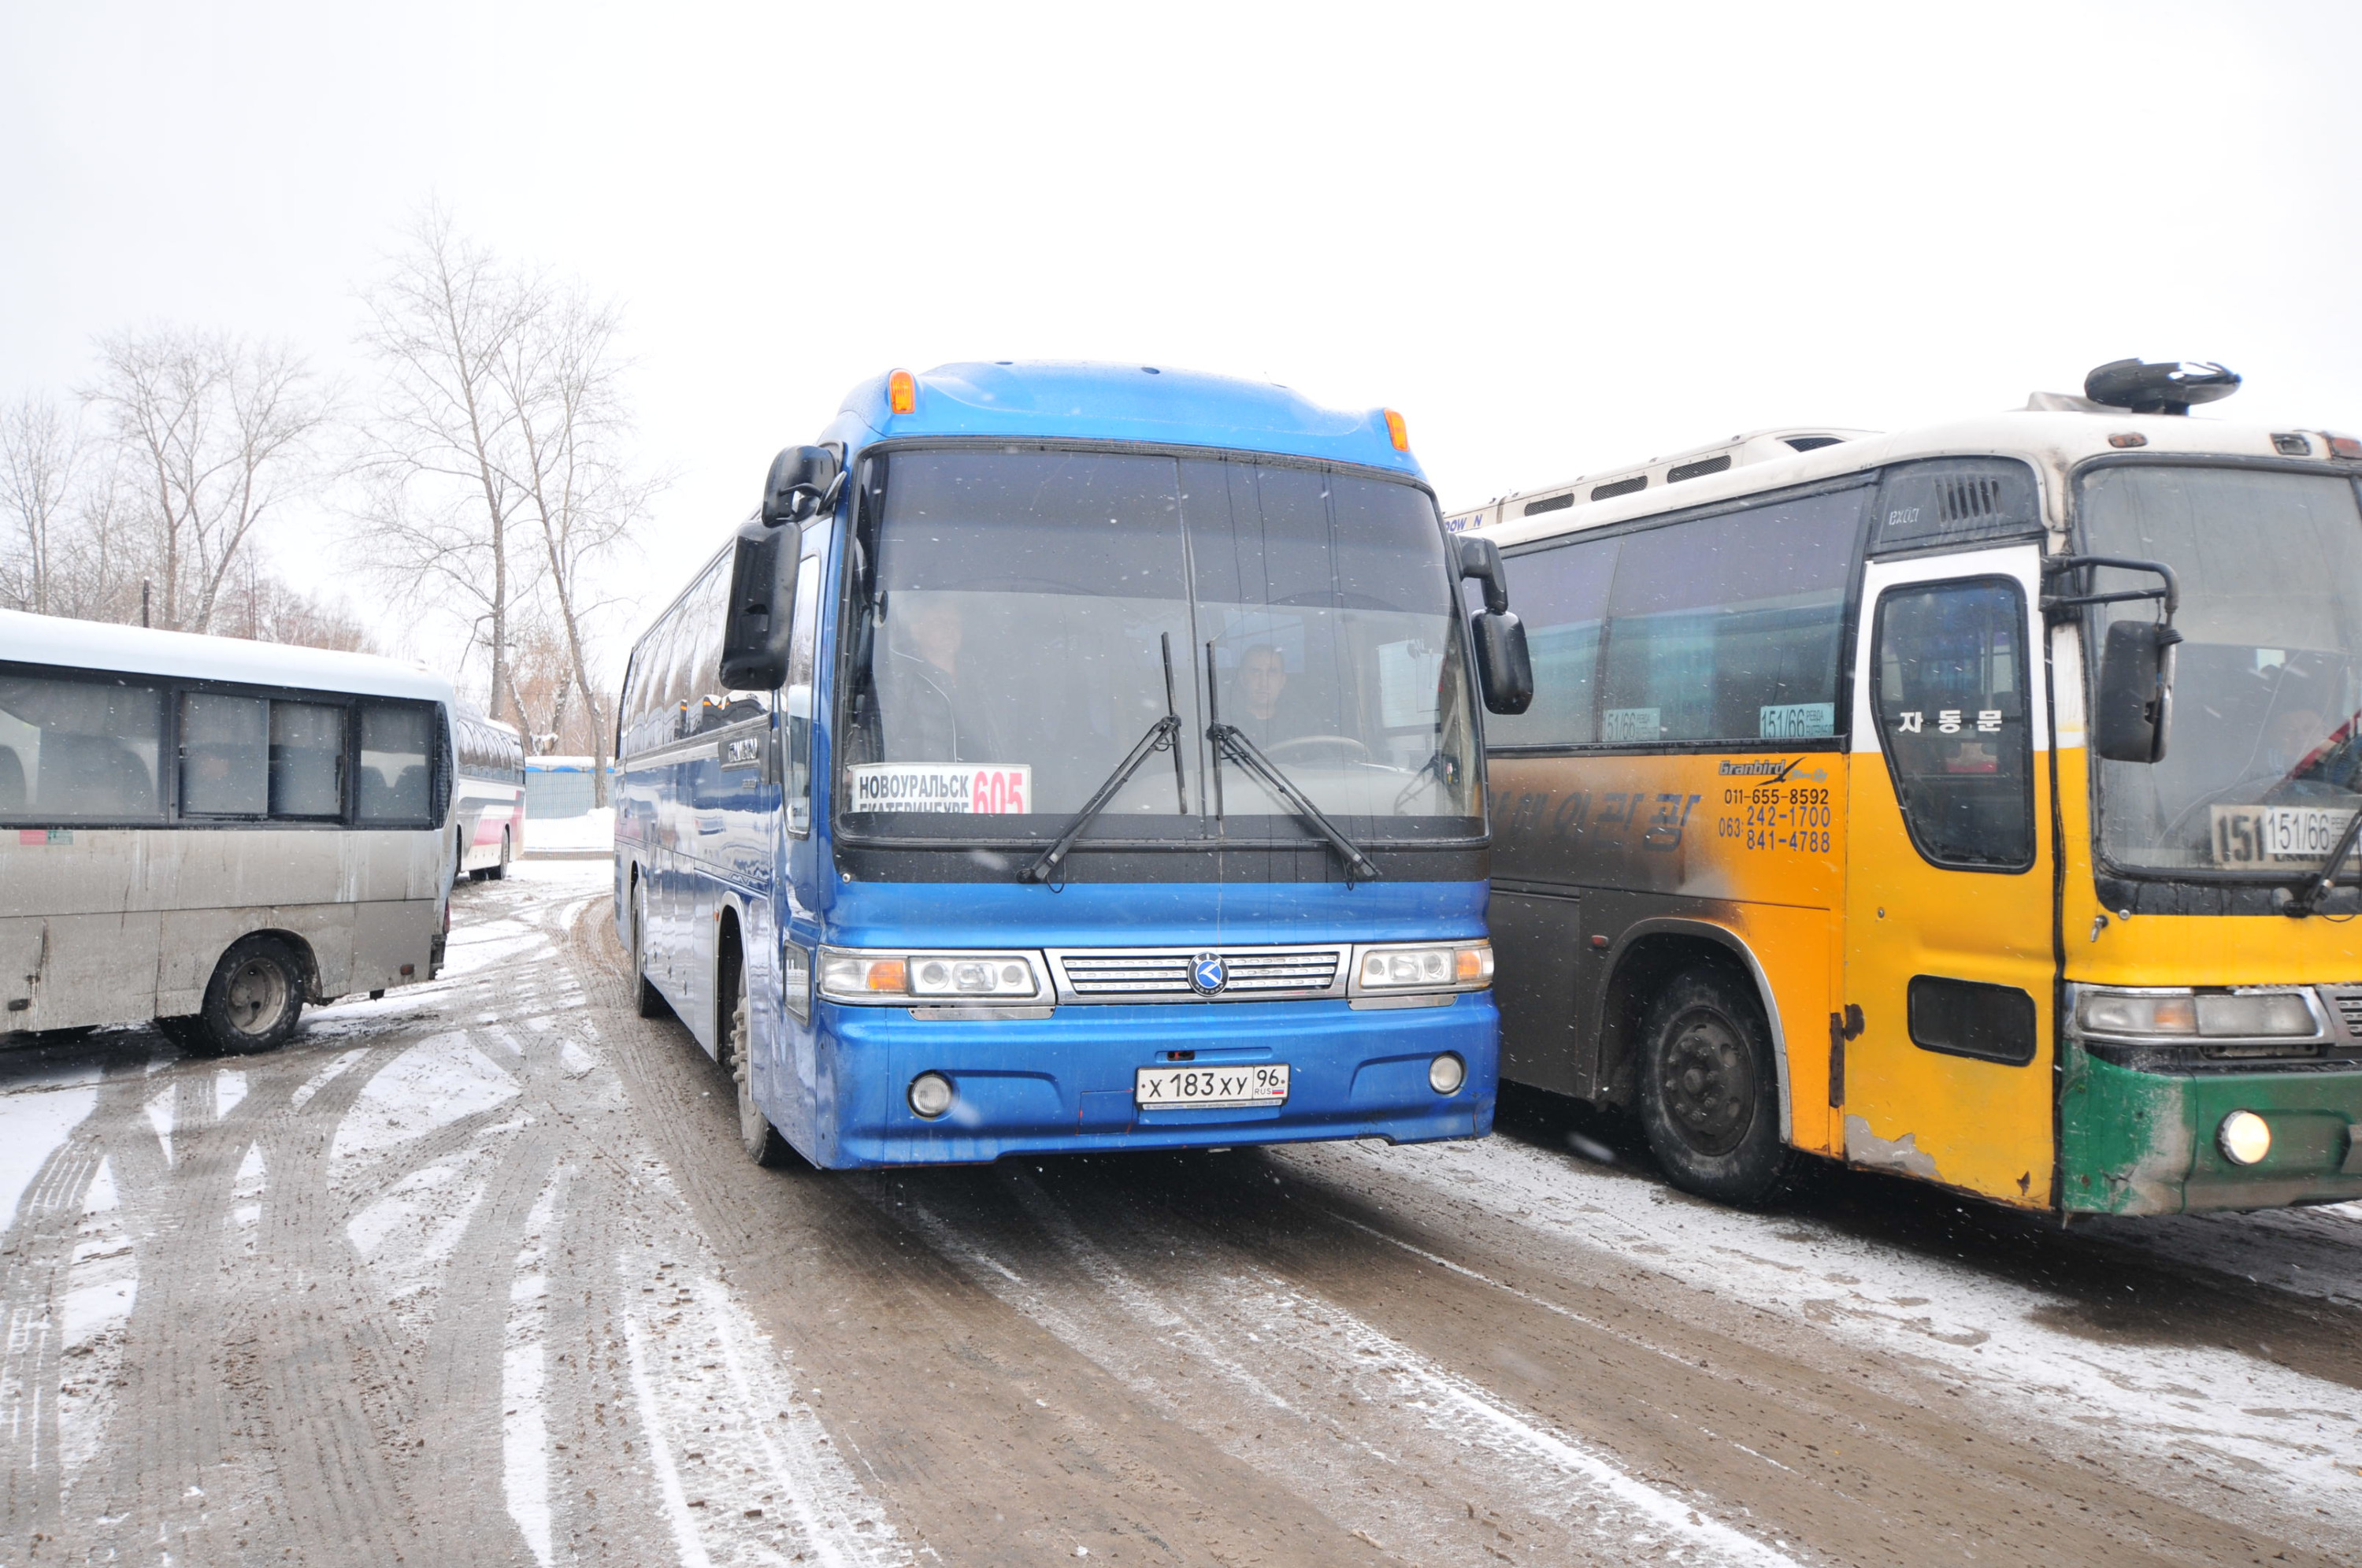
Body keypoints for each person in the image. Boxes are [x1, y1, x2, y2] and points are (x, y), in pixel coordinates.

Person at [1229, 643, 1297, 751]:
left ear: (1282, 681)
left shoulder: (1302, 723)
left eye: (1272, 672)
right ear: (1242, 679)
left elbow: (1323, 761)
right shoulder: (1226, 725)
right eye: (1256, 672)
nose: (1264, 683)